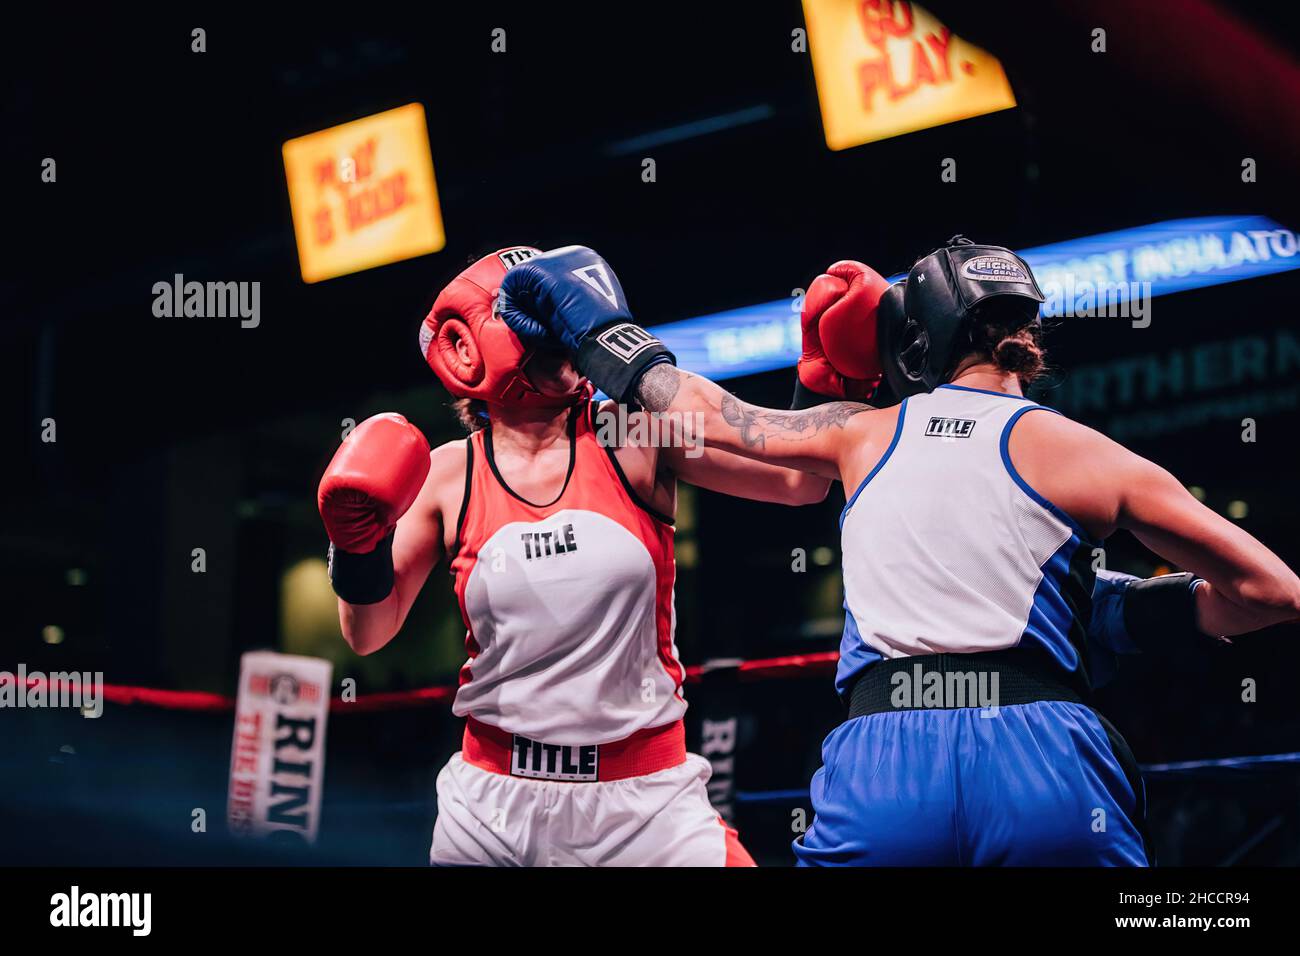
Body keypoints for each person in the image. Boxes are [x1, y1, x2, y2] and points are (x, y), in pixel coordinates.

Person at [495, 240, 1300, 865]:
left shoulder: (860, 429)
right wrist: (1121, 609)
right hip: (1048, 762)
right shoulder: (1094, 456)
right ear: (1026, 336)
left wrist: (598, 330)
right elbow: (1272, 590)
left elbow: (704, 412)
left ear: (919, 338)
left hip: (886, 759)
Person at [316, 247, 831, 866]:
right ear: (466, 346)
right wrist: (355, 544)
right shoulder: (450, 473)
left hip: (649, 800)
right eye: (531, 309)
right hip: (492, 807)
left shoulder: (633, 433)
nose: (555, 327)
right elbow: (367, 632)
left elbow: (801, 482)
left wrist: (822, 376)